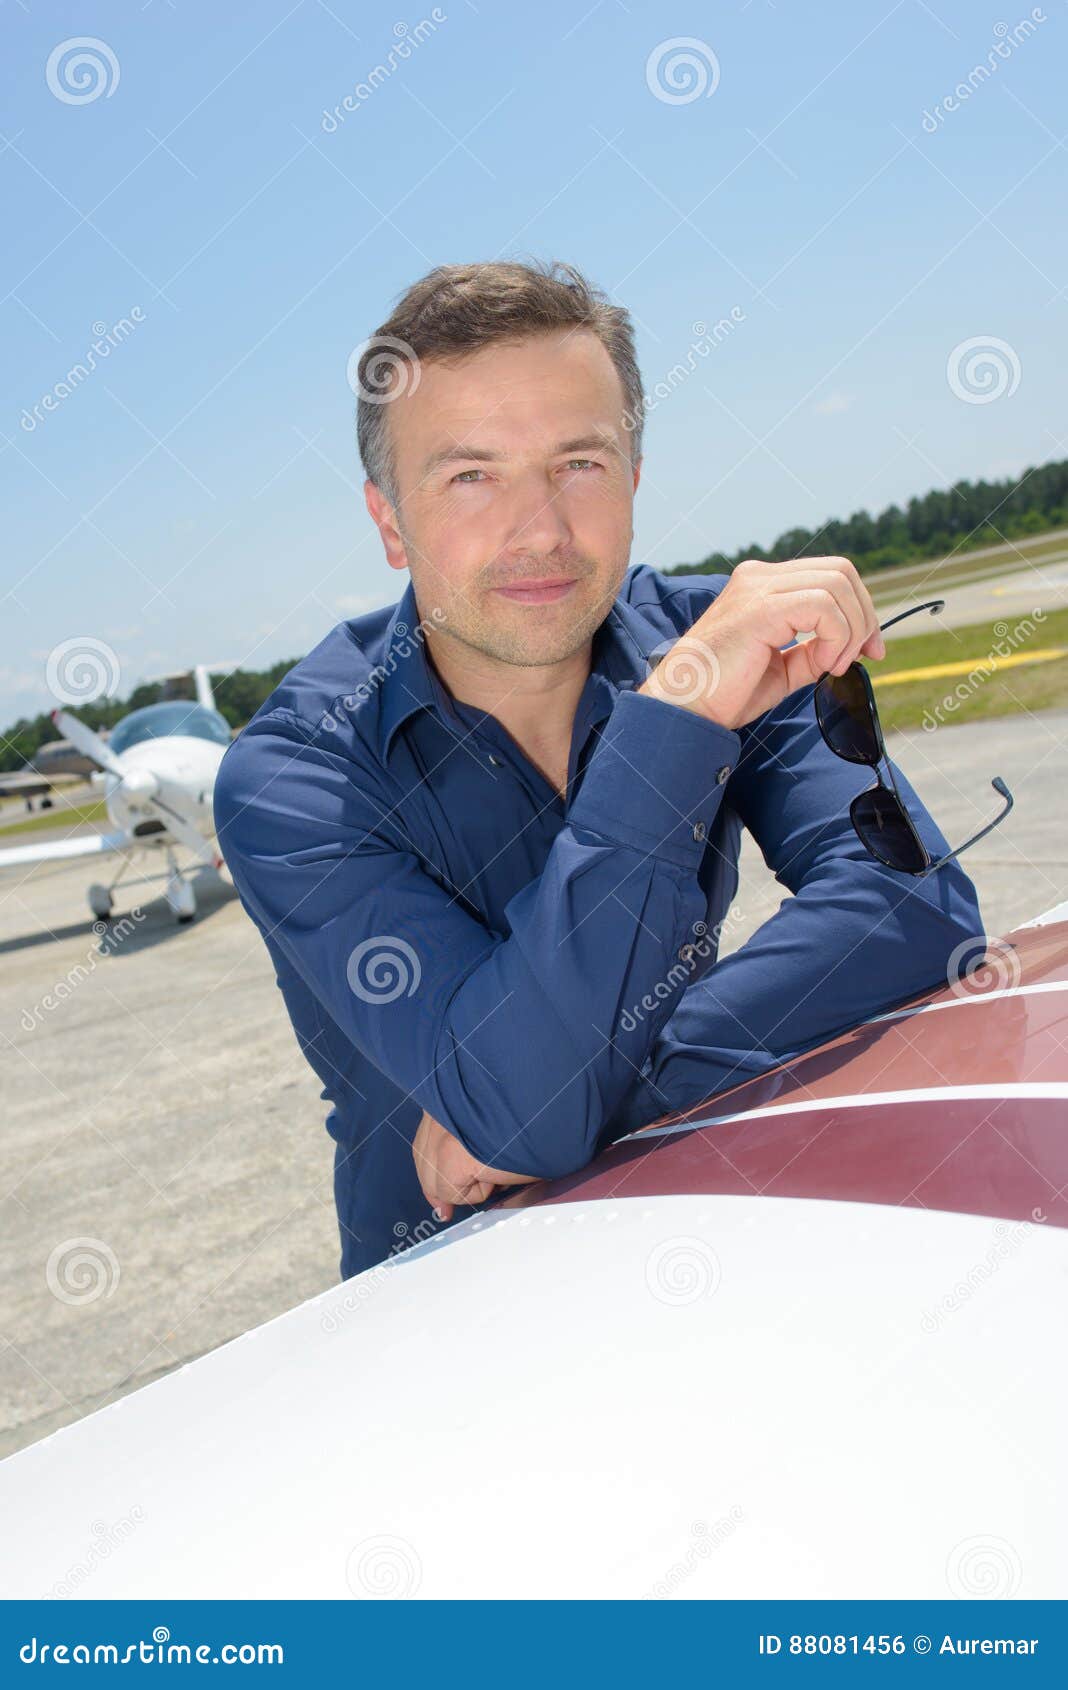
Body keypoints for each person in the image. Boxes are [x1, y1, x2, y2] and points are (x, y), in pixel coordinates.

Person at [213, 259, 983, 1279]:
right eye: (471, 475)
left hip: (698, 1212)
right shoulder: (295, 773)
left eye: (579, 462)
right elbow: (526, 1111)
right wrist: (680, 717)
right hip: (444, 1296)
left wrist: (584, 1087)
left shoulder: (718, 639)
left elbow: (916, 913)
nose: (540, 529)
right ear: (391, 522)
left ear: (634, 476)